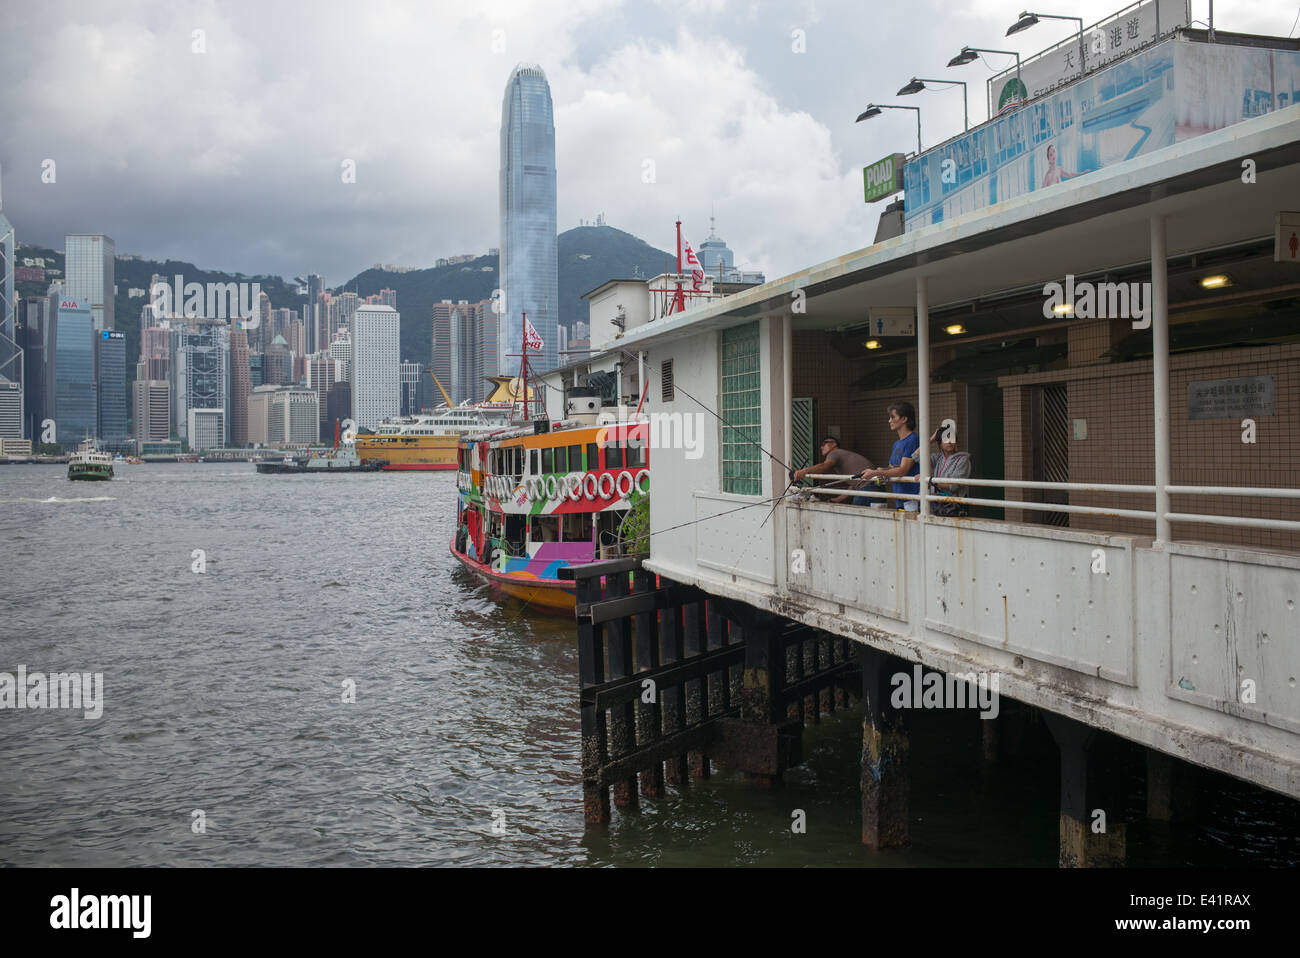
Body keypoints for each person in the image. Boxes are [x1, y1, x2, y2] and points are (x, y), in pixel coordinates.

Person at [856, 401, 920, 510]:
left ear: (904, 419)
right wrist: (880, 470)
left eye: (893, 417)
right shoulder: (897, 444)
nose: (889, 421)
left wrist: (875, 472)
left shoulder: (913, 440)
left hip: (912, 498)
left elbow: (902, 470)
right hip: (899, 496)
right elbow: (893, 468)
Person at [792, 436, 874, 505]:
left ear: (834, 444)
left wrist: (803, 472)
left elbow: (824, 466)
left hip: (867, 487)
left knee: (857, 517)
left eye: (824, 443)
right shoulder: (842, 454)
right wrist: (838, 499)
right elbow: (854, 483)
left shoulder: (834, 453)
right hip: (875, 486)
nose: (821, 447)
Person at [928, 424, 973, 517]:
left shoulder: (963, 459)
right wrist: (931, 440)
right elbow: (915, 457)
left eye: (952, 439)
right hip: (939, 503)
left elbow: (954, 486)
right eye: (945, 439)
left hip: (956, 505)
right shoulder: (938, 458)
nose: (949, 442)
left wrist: (931, 481)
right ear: (939, 443)